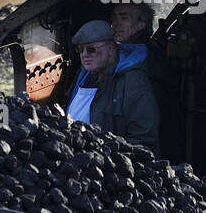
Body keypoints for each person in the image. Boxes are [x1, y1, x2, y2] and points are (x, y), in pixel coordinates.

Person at [66, 20, 160, 153]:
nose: (84, 55)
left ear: (110, 48)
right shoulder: (83, 75)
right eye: (80, 50)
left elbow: (143, 138)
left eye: (91, 49)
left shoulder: (133, 81)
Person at [109, 2, 180, 158]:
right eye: (114, 18)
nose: (115, 24)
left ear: (142, 24)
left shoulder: (146, 57)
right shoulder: (130, 52)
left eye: (124, 18)